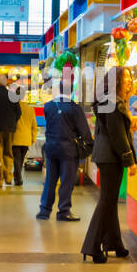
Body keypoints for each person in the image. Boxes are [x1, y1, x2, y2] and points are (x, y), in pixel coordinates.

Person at [82, 66, 137, 263]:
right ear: (115, 81)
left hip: (106, 155)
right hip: (111, 157)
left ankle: (115, 244)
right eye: (125, 77)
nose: (129, 80)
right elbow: (117, 135)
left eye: (129, 76)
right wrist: (130, 161)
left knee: (109, 202)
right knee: (107, 202)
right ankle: (92, 246)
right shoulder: (113, 102)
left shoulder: (109, 100)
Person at [37, 73, 91, 222]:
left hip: (51, 149)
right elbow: (84, 132)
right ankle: (64, 211)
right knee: (66, 182)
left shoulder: (48, 106)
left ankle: (44, 211)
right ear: (70, 91)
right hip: (68, 150)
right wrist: (87, 149)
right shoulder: (74, 108)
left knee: (50, 180)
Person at [10, 80, 35, 186]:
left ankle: (17, 177)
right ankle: (17, 176)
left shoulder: (12, 107)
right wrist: (33, 138)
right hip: (26, 138)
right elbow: (34, 126)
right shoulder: (30, 109)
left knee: (16, 158)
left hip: (15, 137)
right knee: (20, 158)